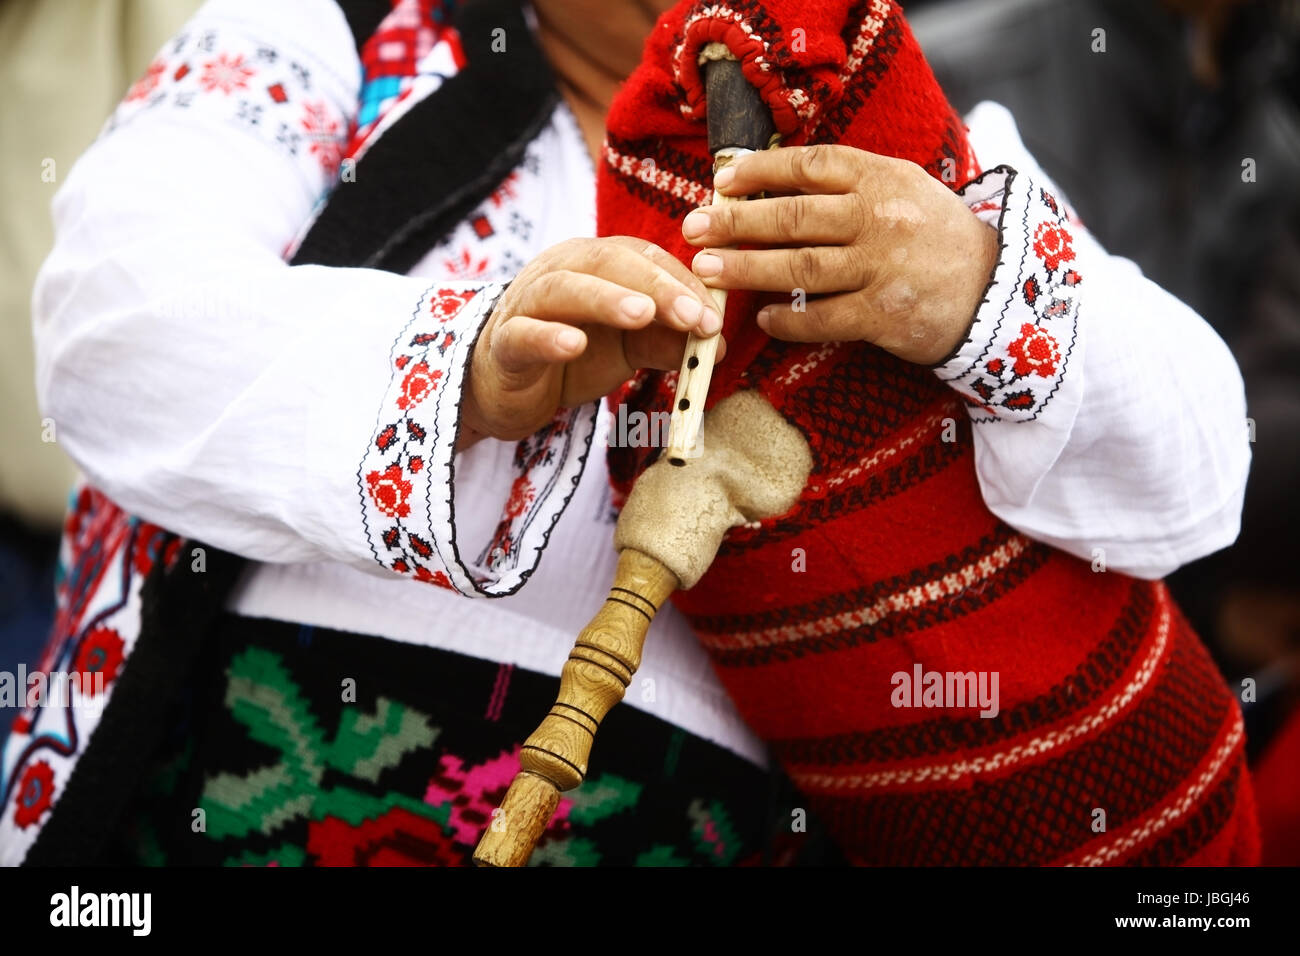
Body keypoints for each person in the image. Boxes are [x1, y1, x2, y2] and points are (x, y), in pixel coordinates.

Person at [2, 0, 1254, 866]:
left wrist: (977, 282)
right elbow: (111, 327)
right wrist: (473, 366)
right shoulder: (339, 33)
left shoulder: (907, 140)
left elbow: (1201, 469)